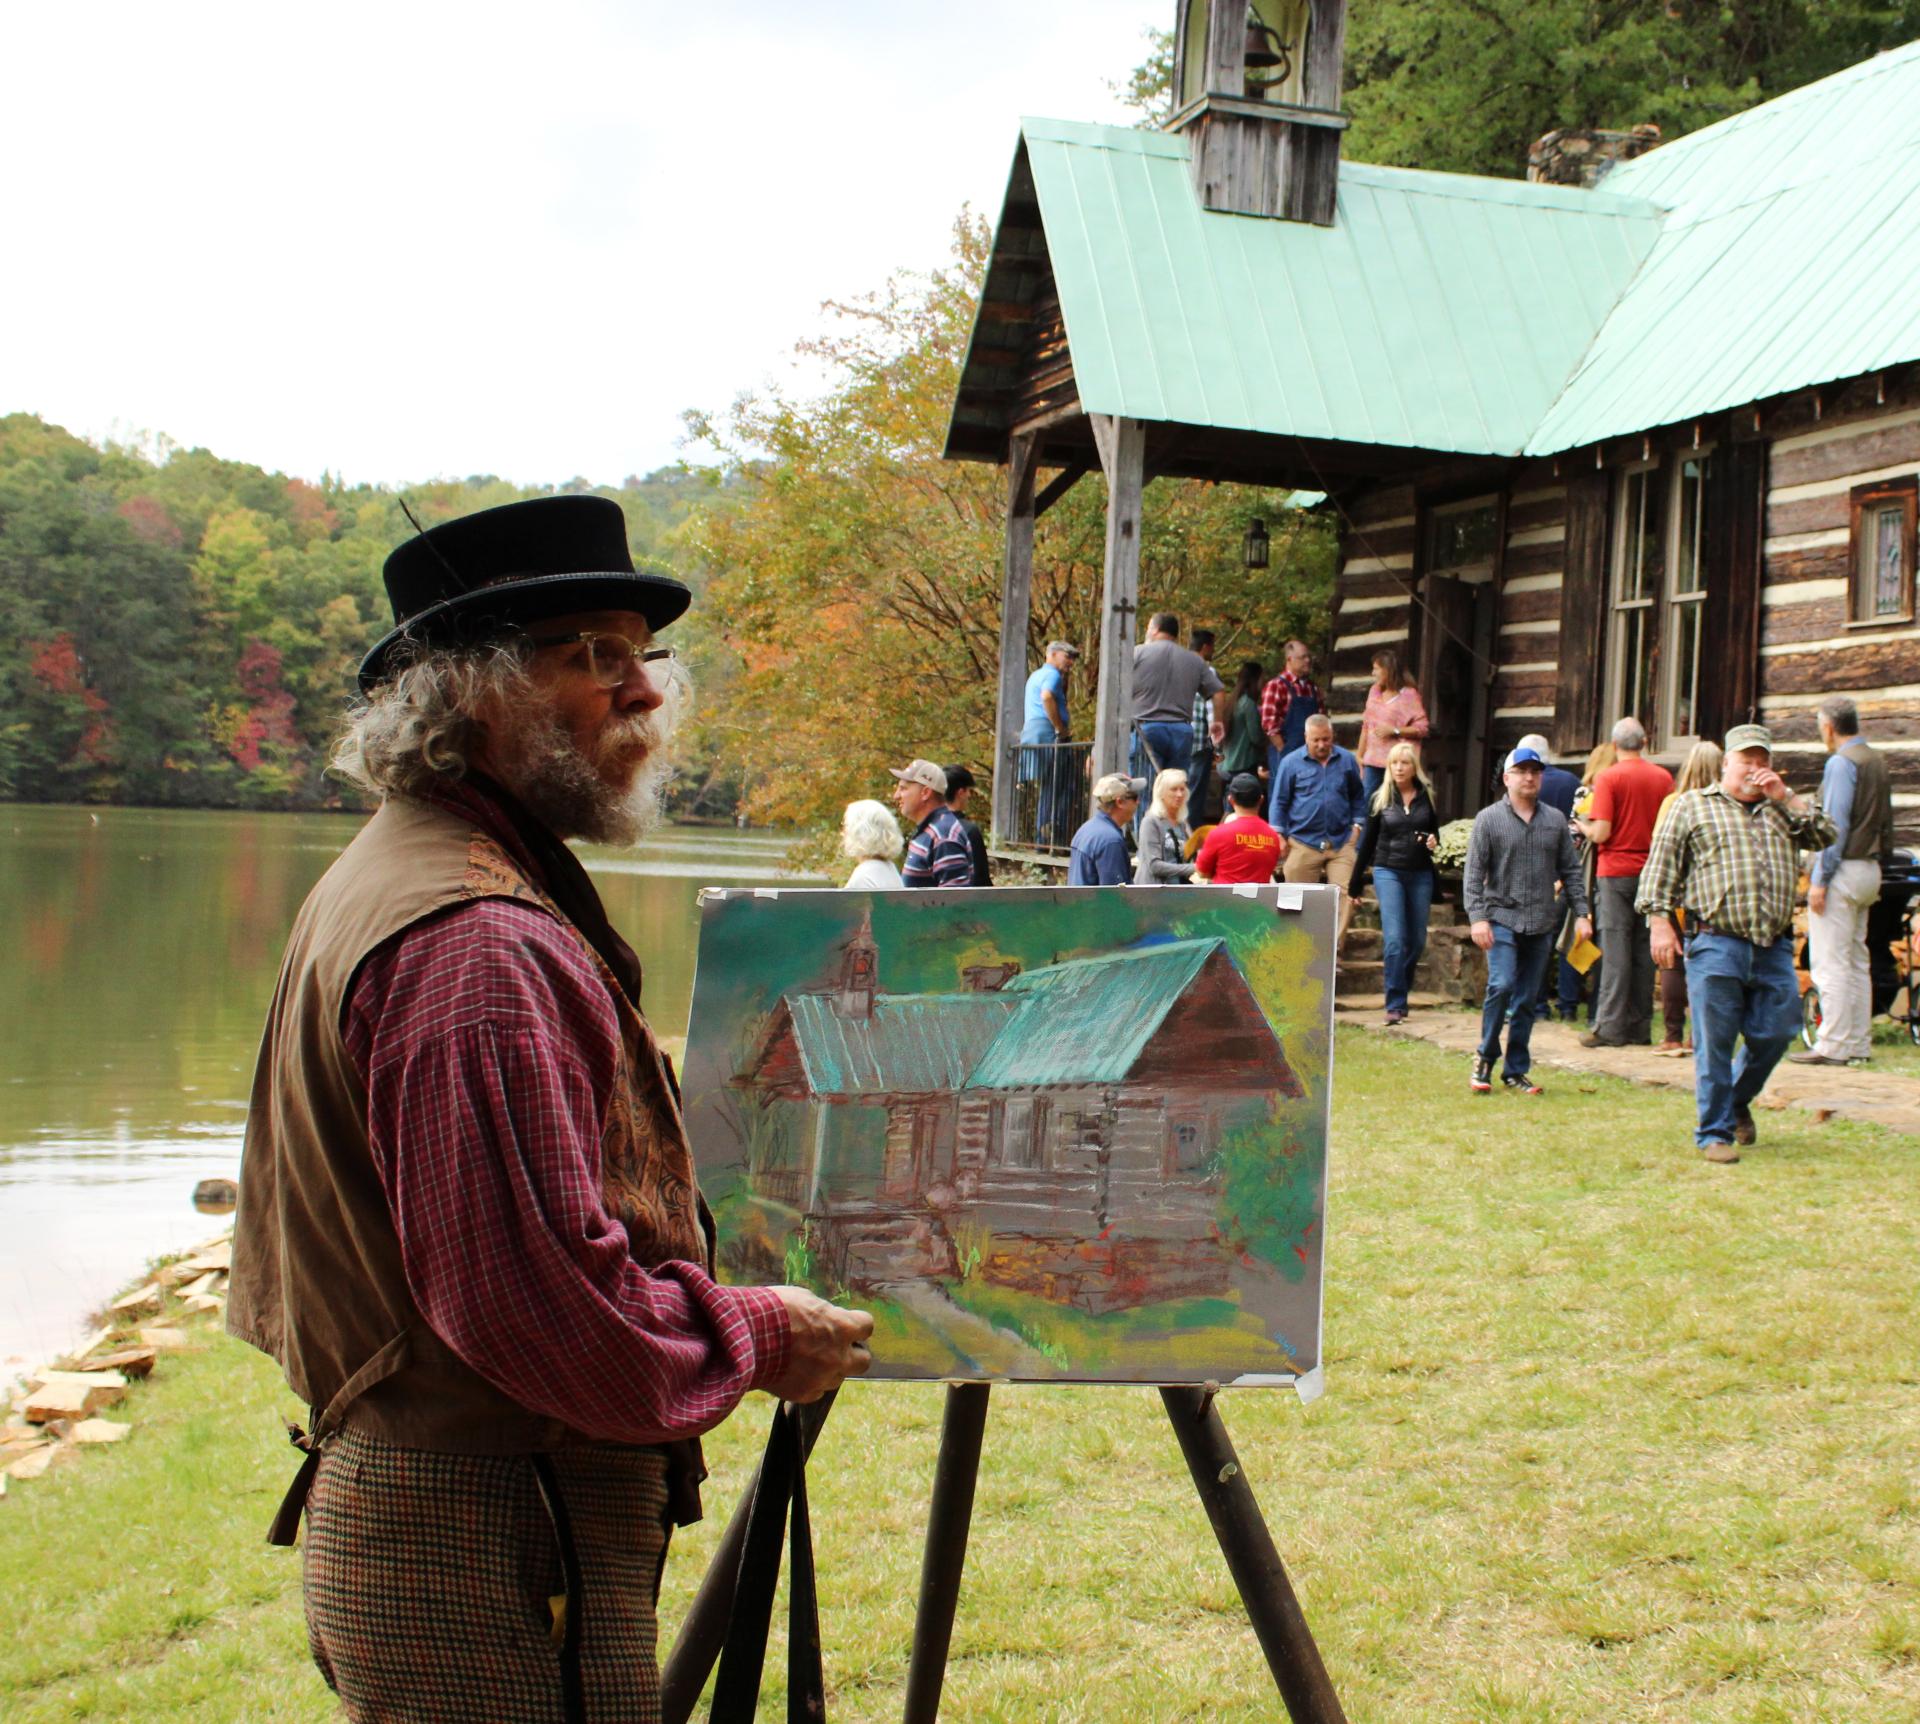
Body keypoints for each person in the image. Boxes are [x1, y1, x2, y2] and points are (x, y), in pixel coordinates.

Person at [226, 494, 874, 1721]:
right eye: (596, 657)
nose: (644, 693)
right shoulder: (472, 940)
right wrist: (759, 1335)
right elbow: (538, 1307)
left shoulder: (426, 867)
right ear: (471, 694)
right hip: (486, 1536)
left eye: (645, 657)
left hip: (486, 1516)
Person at [1637, 724, 1836, 1163]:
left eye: (1762, 761)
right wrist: (1659, 922)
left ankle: (1734, 1101)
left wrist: (1784, 796)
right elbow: (1660, 867)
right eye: (1747, 760)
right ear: (1726, 763)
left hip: (1772, 945)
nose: (1755, 769)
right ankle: (1714, 1134)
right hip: (1715, 941)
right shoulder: (1693, 806)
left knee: (1780, 1029)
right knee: (1715, 1041)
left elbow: (1827, 834)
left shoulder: (1781, 808)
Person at [1464, 744, 1592, 1096]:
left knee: (1527, 998)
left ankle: (1515, 1069)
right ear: (1507, 778)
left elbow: (1571, 870)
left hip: (1541, 920)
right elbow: (1473, 875)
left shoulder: (1554, 821)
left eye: (1535, 771)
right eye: (1522, 771)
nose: (1530, 777)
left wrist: (1581, 913)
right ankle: (1485, 1057)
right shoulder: (1489, 819)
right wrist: (1478, 918)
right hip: (1501, 916)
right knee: (1502, 985)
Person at [1791, 695, 1895, 1068]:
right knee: (1855, 959)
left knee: (1830, 961)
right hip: (1869, 868)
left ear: (1829, 727)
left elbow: (1834, 828)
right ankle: (1857, 1041)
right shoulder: (1877, 760)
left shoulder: (1841, 763)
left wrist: (1820, 879)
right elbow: (1886, 822)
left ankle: (1832, 1043)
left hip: (1843, 868)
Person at [1575, 717, 1674, 1048]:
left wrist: (1584, 826)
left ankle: (1610, 1027)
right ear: (1644, 743)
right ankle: (1640, 1025)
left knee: (1616, 949)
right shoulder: (1663, 778)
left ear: (1614, 746)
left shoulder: (1609, 777)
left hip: (1615, 870)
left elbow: (1601, 831)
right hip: (1652, 872)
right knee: (1645, 952)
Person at [1354, 741, 1441, 1025]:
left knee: (1416, 942)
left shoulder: (1425, 796)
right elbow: (1366, 842)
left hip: (1420, 873)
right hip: (1387, 871)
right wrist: (1355, 884)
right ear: (1389, 767)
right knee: (1394, 940)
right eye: (1394, 763)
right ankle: (1395, 1003)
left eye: (1405, 763)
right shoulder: (1380, 799)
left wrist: (1432, 841)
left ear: (1414, 767)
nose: (1399, 768)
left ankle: (1399, 989)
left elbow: (1434, 835)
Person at [1649, 741, 1724, 1054]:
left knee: (1672, 964)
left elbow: (1659, 846)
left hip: (1676, 895)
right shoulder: (1723, 805)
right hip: (1709, 895)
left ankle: (1672, 1036)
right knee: (1704, 964)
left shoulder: (1674, 802)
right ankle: (1698, 1036)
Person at [1269, 713, 1368, 940]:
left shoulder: (1346, 760)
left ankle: (1333, 954)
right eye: (1316, 740)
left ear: (1332, 736)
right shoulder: (1290, 763)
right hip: (1303, 841)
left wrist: (1357, 827)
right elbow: (1280, 801)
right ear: (1306, 737)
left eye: (1326, 739)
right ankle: (1299, 950)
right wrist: (1279, 834)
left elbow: (1358, 797)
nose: (1322, 744)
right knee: (1297, 898)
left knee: (1345, 893)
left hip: (1341, 840)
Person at [1131, 614, 1227, 813]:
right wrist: (1217, 721)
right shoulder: (1194, 661)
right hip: (1181, 731)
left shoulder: (1137, 653)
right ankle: (1172, 839)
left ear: (1154, 629)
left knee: (1147, 789)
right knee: (1176, 791)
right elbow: (1218, 692)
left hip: (1146, 729)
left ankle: (1148, 839)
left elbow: (1118, 688)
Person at [1020, 640, 1079, 846]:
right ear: (1052, 654)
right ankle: (1049, 836)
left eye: (1073, 658)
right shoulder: (1052, 675)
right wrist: (1060, 728)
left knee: (1049, 787)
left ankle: (1044, 836)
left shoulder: (1035, 675)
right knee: (1060, 786)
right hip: (1047, 733)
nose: (1070, 662)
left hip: (1033, 732)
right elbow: (1046, 697)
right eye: (1067, 656)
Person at [1356, 648, 1430, 804]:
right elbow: (1366, 726)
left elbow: (1422, 728)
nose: (1372, 673)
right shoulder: (1374, 692)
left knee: (1394, 805)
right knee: (1367, 805)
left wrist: (1395, 731)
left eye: (1376, 669)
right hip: (1372, 763)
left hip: (1396, 763)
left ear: (1387, 670)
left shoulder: (1408, 695)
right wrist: (1360, 754)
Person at [893, 758, 973, 888]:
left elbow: (955, 903)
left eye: (903, 788)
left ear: (925, 793)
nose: (896, 796)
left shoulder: (944, 836)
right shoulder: (932, 831)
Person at [1193, 773, 1284, 884]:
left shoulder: (1218, 834)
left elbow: (1202, 872)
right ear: (1261, 800)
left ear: (1231, 800)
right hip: (1259, 900)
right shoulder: (1273, 836)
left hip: (1224, 899)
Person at [1260, 638, 1323, 782]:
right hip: (1286, 753)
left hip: (1312, 754)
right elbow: (1269, 725)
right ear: (1289, 659)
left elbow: (1321, 720)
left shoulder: (1312, 688)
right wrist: (1284, 751)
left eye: (1309, 657)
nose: (1308, 660)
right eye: (1303, 657)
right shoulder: (1276, 685)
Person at [1068, 773, 1142, 884]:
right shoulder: (1111, 841)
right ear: (1120, 802)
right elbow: (1114, 896)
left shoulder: (1087, 828)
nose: (1138, 802)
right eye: (1135, 798)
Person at [1135, 767, 1194, 884]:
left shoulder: (1181, 823)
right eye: (1173, 789)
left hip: (1174, 892)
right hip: (1153, 894)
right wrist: (1194, 868)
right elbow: (1155, 866)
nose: (1179, 794)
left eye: (1182, 789)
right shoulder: (1150, 822)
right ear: (1161, 793)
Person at [941, 763, 993, 887]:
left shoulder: (929, 827)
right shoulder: (968, 831)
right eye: (968, 790)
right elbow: (981, 879)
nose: (969, 795)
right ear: (960, 792)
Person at [1187, 628, 1220, 821]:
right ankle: (1191, 836)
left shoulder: (1178, 666)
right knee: (1196, 792)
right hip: (1200, 740)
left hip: (1181, 737)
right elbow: (1211, 708)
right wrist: (1216, 743)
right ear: (1206, 647)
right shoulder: (1206, 670)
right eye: (1212, 646)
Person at [1220, 660, 1266, 788]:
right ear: (1254, 680)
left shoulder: (1233, 701)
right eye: (1262, 678)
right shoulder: (1248, 704)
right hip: (1243, 764)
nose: (1264, 683)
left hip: (1227, 765)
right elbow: (1256, 737)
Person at [842, 798, 905, 890]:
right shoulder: (889, 869)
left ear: (858, 832)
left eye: (846, 825)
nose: (843, 832)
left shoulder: (864, 875)